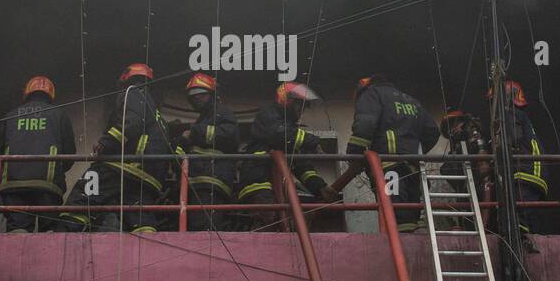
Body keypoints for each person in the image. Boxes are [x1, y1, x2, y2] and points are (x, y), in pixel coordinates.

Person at [61, 63, 173, 233]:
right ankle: (149, 243)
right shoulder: (157, 114)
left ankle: (65, 233)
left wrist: (105, 142)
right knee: (138, 215)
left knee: (83, 194)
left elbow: (131, 123)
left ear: (125, 79)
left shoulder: (132, 93)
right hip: (147, 177)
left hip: (122, 166)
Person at [340, 75, 439, 232]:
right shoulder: (412, 101)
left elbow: (365, 123)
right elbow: (433, 132)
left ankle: (401, 251)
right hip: (413, 169)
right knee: (412, 214)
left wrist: (354, 153)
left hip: (387, 167)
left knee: (396, 215)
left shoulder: (371, 94)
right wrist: (414, 151)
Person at [236, 81, 326, 230]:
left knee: (283, 226)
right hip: (259, 184)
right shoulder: (269, 114)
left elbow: (301, 165)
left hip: (276, 187)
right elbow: (279, 134)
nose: (301, 111)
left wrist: (320, 187)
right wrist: (313, 141)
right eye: (300, 105)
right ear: (287, 100)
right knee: (269, 224)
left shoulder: (289, 128)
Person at [0, 75, 76, 232]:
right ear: (51, 93)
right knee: (49, 231)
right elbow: (70, 152)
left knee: (17, 232)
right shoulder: (59, 115)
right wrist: (56, 170)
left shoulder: (10, 116)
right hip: (47, 186)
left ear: (27, 92)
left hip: (13, 185)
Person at [487, 78, 546, 253]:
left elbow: (511, 139)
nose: (492, 107)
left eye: (494, 101)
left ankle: (518, 248)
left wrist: (496, 150)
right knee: (524, 216)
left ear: (506, 98)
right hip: (533, 172)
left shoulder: (511, 115)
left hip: (525, 171)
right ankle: (525, 243)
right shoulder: (522, 117)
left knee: (517, 218)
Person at [180, 73, 239, 231]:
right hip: (200, 181)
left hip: (212, 180)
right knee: (197, 226)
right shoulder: (204, 117)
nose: (197, 99)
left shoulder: (222, 112)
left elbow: (228, 135)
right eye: (194, 96)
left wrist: (194, 132)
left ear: (212, 95)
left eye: (201, 95)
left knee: (205, 227)